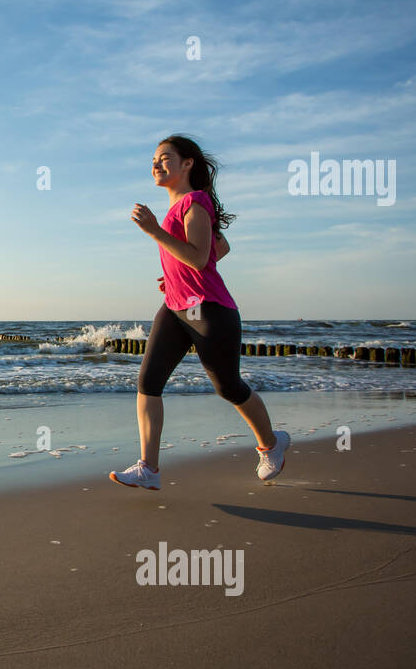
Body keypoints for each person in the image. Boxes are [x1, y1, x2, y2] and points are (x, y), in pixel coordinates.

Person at [110, 135, 289, 490]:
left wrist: (155, 232)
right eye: (154, 160)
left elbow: (197, 255)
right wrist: (174, 274)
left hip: (209, 309)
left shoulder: (195, 202)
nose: (156, 165)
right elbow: (218, 248)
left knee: (229, 387)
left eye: (165, 158)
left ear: (187, 164)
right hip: (176, 308)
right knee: (148, 382)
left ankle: (272, 443)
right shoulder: (181, 206)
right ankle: (149, 468)